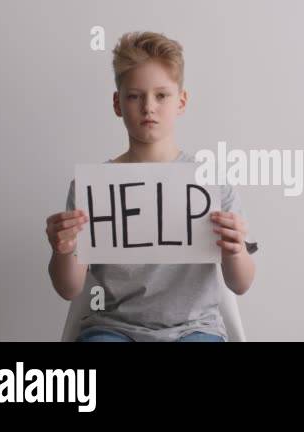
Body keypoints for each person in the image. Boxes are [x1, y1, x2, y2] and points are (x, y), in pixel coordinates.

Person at [45, 31, 258, 342]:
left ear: (181, 101)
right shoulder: (91, 187)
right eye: (135, 96)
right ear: (118, 103)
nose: (148, 107)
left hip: (195, 329)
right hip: (112, 329)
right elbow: (69, 288)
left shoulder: (211, 183)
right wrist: (62, 250)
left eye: (161, 95)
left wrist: (236, 249)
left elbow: (241, 284)